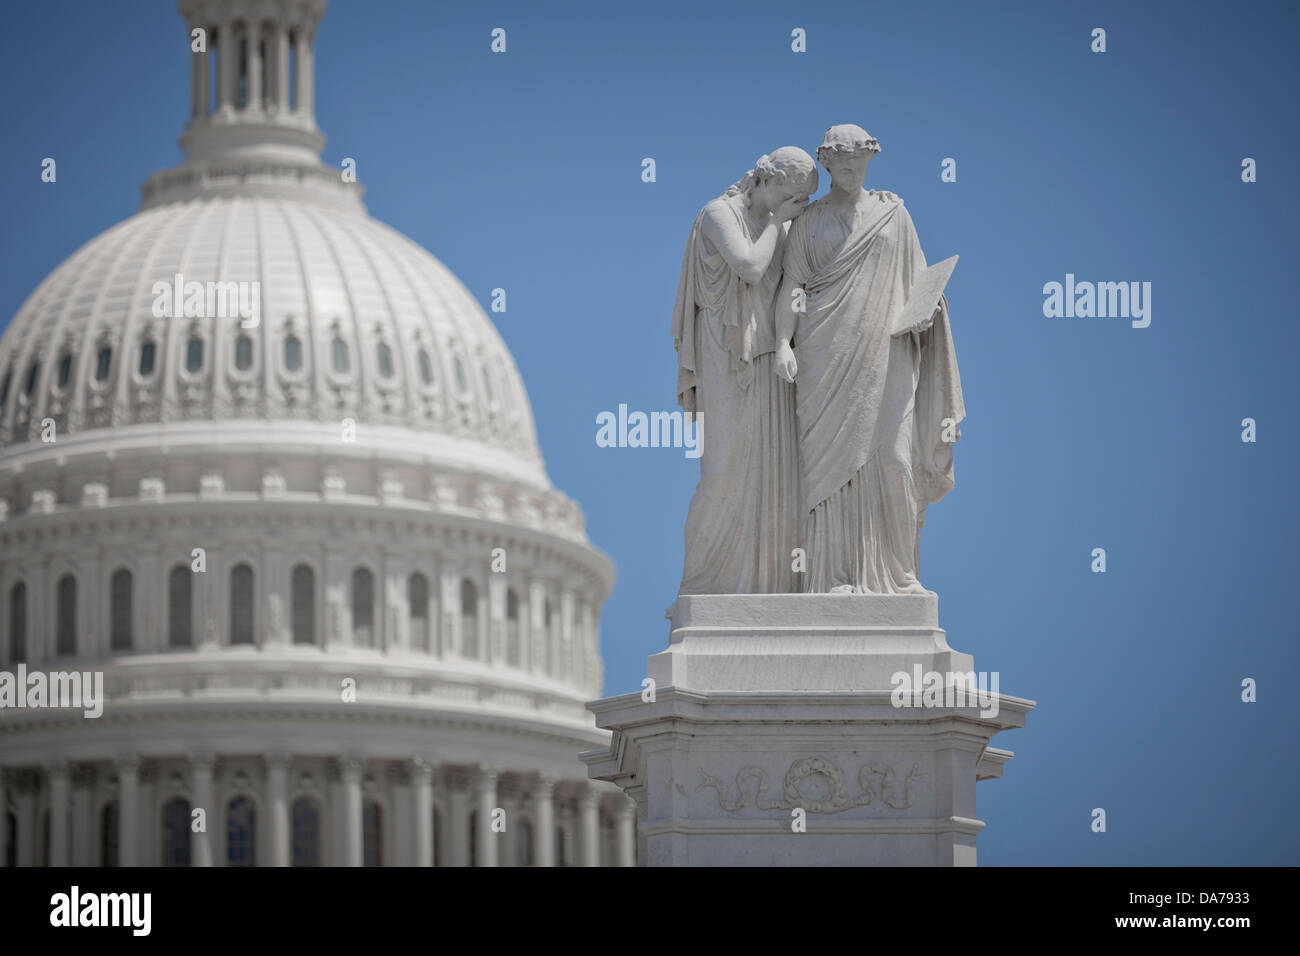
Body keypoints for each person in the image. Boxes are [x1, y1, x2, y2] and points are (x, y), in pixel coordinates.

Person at [775, 125, 965, 594]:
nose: (851, 171)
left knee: (894, 459)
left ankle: (898, 573)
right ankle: (834, 576)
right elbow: (791, 289)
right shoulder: (809, 222)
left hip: (889, 351)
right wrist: (781, 342)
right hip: (824, 354)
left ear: (870, 162)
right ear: (826, 165)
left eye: (858, 164)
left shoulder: (894, 215)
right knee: (827, 471)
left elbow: (921, 280)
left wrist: (931, 309)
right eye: (841, 165)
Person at [671, 147, 817, 594]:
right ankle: (704, 582)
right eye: (794, 197)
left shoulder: (785, 223)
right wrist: (778, 222)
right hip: (725, 346)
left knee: (775, 469)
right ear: (768, 182)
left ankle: (768, 583)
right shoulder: (718, 213)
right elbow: (751, 268)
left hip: (769, 350)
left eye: (803, 202)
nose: (799, 208)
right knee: (725, 467)